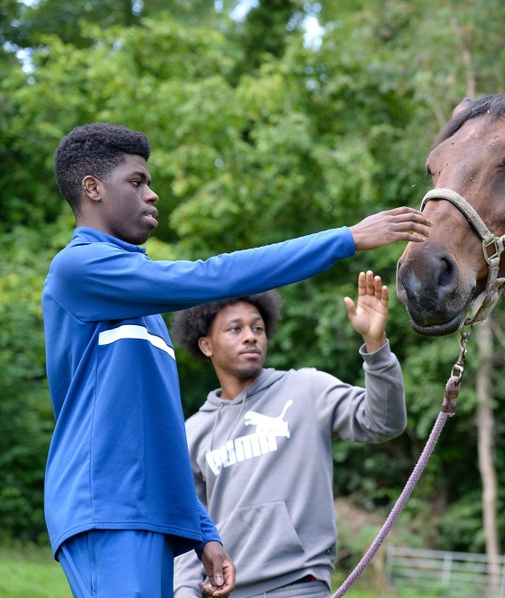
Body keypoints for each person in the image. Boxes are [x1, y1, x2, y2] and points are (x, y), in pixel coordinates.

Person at [42, 122, 429, 598]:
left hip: (150, 514)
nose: (153, 194)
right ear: (92, 188)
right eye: (137, 181)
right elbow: (211, 278)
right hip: (106, 509)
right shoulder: (78, 269)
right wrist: (346, 238)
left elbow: (158, 437)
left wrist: (204, 534)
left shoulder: (142, 312)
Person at [171, 271, 406, 597]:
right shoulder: (192, 432)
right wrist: (184, 591)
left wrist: (375, 344)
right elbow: (188, 527)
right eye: (235, 329)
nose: (250, 336)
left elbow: (385, 422)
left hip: (300, 585)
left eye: (257, 328)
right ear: (206, 345)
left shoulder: (307, 389)